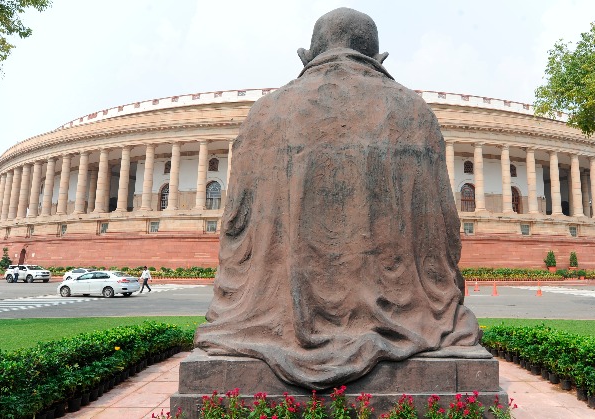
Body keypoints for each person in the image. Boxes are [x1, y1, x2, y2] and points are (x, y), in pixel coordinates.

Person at [195, 8, 481, 389]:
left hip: (266, 321)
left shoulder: (262, 115)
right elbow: (445, 230)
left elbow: (234, 227)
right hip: (410, 320)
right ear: (379, 59)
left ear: (305, 57)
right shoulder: (416, 114)